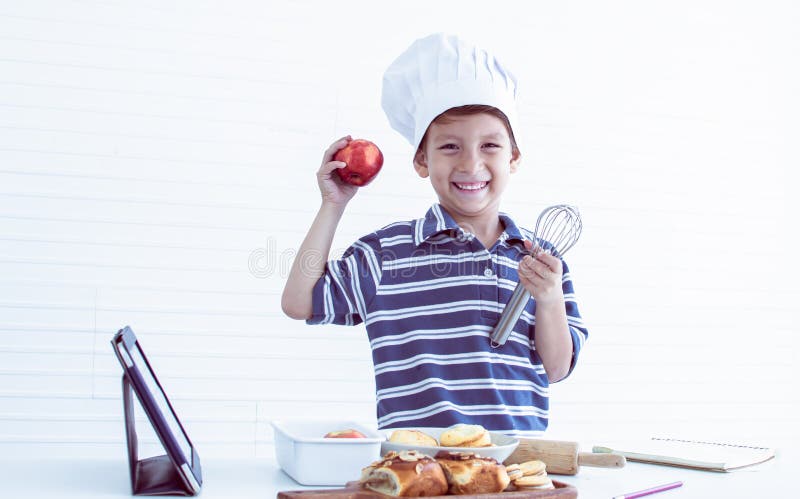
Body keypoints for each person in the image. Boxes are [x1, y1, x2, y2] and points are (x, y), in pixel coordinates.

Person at [281, 32, 588, 437]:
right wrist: (332, 205)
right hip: (417, 468)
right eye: (449, 147)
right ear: (422, 161)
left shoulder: (542, 258)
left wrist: (548, 300)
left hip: (516, 471)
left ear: (513, 158)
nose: (471, 163)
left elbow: (556, 368)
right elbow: (298, 302)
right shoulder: (386, 254)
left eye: (490, 145)